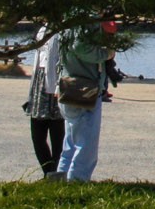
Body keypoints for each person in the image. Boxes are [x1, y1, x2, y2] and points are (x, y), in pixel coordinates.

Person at [56, 25, 108, 182]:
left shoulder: (68, 20)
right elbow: (79, 47)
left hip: (68, 85)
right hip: (85, 90)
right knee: (86, 145)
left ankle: (61, 180)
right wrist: (106, 54)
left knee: (70, 142)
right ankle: (77, 182)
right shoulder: (87, 21)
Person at [23, 24, 63, 177]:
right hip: (39, 82)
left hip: (57, 83)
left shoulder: (64, 30)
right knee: (37, 135)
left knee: (58, 134)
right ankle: (48, 172)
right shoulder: (43, 29)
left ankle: (56, 174)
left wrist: (58, 86)